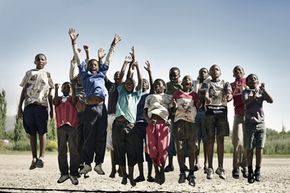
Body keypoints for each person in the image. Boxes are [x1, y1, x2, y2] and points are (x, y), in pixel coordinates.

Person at [68, 28, 119, 176]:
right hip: (90, 109)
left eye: (95, 64)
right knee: (89, 137)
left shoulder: (102, 74)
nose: (93, 65)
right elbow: (78, 59)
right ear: (88, 66)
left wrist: (113, 45)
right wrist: (73, 43)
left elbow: (108, 60)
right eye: (91, 64)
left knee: (101, 136)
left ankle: (99, 164)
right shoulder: (84, 75)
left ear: (98, 66)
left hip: (102, 108)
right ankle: (87, 164)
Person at [17, 53, 54, 170]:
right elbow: (23, 90)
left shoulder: (48, 75)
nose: (40, 61)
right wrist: (19, 108)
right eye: (38, 59)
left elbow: (50, 94)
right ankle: (33, 158)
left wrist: (52, 109)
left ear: (46, 61)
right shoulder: (29, 73)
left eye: (42, 59)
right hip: (29, 106)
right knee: (31, 132)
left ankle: (41, 157)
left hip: (42, 106)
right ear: (35, 61)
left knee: (42, 131)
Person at [112, 61, 143, 187]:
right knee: (120, 151)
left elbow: (140, 81)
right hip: (118, 125)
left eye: (131, 83)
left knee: (131, 152)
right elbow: (121, 77)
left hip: (131, 126)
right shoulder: (121, 91)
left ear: (134, 86)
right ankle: (124, 175)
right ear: (124, 85)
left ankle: (130, 175)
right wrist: (126, 64)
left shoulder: (136, 95)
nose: (129, 85)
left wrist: (138, 67)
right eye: (127, 83)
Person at [242, 74, 273, 183]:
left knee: (260, 148)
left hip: (261, 124)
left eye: (255, 78)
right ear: (247, 82)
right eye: (251, 79)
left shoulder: (261, 92)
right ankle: (250, 171)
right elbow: (245, 102)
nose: (253, 80)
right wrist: (253, 95)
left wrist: (264, 91)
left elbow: (271, 100)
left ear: (257, 81)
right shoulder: (245, 92)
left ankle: (258, 171)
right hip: (249, 123)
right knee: (249, 148)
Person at [204, 64, 232, 180]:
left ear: (220, 72)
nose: (215, 71)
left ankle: (220, 168)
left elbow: (229, 93)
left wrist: (229, 96)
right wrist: (207, 98)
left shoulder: (225, 83)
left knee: (220, 141)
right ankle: (210, 168)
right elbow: (205, 93)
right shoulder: (207, 83)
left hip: (221, 112)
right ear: (209, 72)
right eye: (212, 69)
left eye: (217, 69)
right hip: (210, 112)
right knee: (210, 140)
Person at [106, 55, 131, 178]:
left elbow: (123, 75)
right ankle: (113, 169)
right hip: (109, 117)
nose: (117, 77)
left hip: (119, 117)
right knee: (111, 145)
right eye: (115, 75)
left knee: (121, 145)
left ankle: (122, 169)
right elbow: (102, 73)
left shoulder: (123, 87)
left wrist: (125, 63)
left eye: (119, 75)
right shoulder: (110, 85)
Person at [172, 75, 199, 186]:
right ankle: (182, 172)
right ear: (181, 82)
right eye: (185, 79)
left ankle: (191, 173)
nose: (187, 80)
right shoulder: (177, 93)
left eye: (189, 79)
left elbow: (198, 106)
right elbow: (172, 108)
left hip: (191, 123)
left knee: (192, 149)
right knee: (180, 149)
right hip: (179, 122)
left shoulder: (194, 95)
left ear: (191, 83)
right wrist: (173, 106)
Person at [144, 78, 172, 185]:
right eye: (155, 85)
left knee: (162, 149)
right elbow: (145, 113)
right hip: (152, 125)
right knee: (153, 149)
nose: (157, 86)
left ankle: (162, 170)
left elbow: (172, 112)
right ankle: (156, 170)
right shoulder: (149, 97)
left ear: (164, 86)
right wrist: (149, 120)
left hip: (163, 125)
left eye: (159, 84)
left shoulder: (169, 97)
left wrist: (169, 119)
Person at [54, 82, 79, 185]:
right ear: (61, 89)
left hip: (72, 126)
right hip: (61, 127)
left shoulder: (72, 98)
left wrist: (73, 87)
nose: (66, 88)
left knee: (73, 150)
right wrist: (55, 89)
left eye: (68, 87)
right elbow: (55, 103)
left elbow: (73, 102)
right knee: (61, 151)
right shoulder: (59, 99)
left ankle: (73, 173)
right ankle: (64, 173)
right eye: (64, 87)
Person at [134, 60, 155, 183]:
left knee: (149, 150)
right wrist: (137, 68)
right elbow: (140, 80)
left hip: (147, 124)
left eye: (146, 83)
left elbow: (152, 85)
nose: (144, 83)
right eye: (143, 82)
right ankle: (141, 175)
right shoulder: (136, 95)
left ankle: (149, 175)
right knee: (138, 150)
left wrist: (150, 72)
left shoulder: (150, 95)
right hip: (137, 125)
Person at [230, 65, 248, 179]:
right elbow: (228, 97)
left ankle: (245, 166)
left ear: (243, 72)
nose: (238, 72)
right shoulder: (231, 85)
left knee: (247, 143)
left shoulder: (248, 81)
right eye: (236, 70)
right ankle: (235, 167)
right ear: (233, 73)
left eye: (240, 70)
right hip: (238, 115)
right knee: (237, 141)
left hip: (249, 116)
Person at [164, 67, 182, 173]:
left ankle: (182, 165)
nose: (172, 77)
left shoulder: (182, 86)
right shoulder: (167, 85)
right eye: (171, 75)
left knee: (181, 141)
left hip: (181, 116)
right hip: (170, 117)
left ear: (179, 75)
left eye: (175, 75)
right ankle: (170, 164)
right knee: (170, 142)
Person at [192, 67, 210, 173]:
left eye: (205, 72)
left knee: (206, 141)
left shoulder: (210, 84)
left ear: (208, 74)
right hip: (196, 113)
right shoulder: (195, 83)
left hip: (206, 114)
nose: (202, 73)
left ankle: (206, 163)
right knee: (196, 141)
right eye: (201, 72)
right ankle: (196, 162)